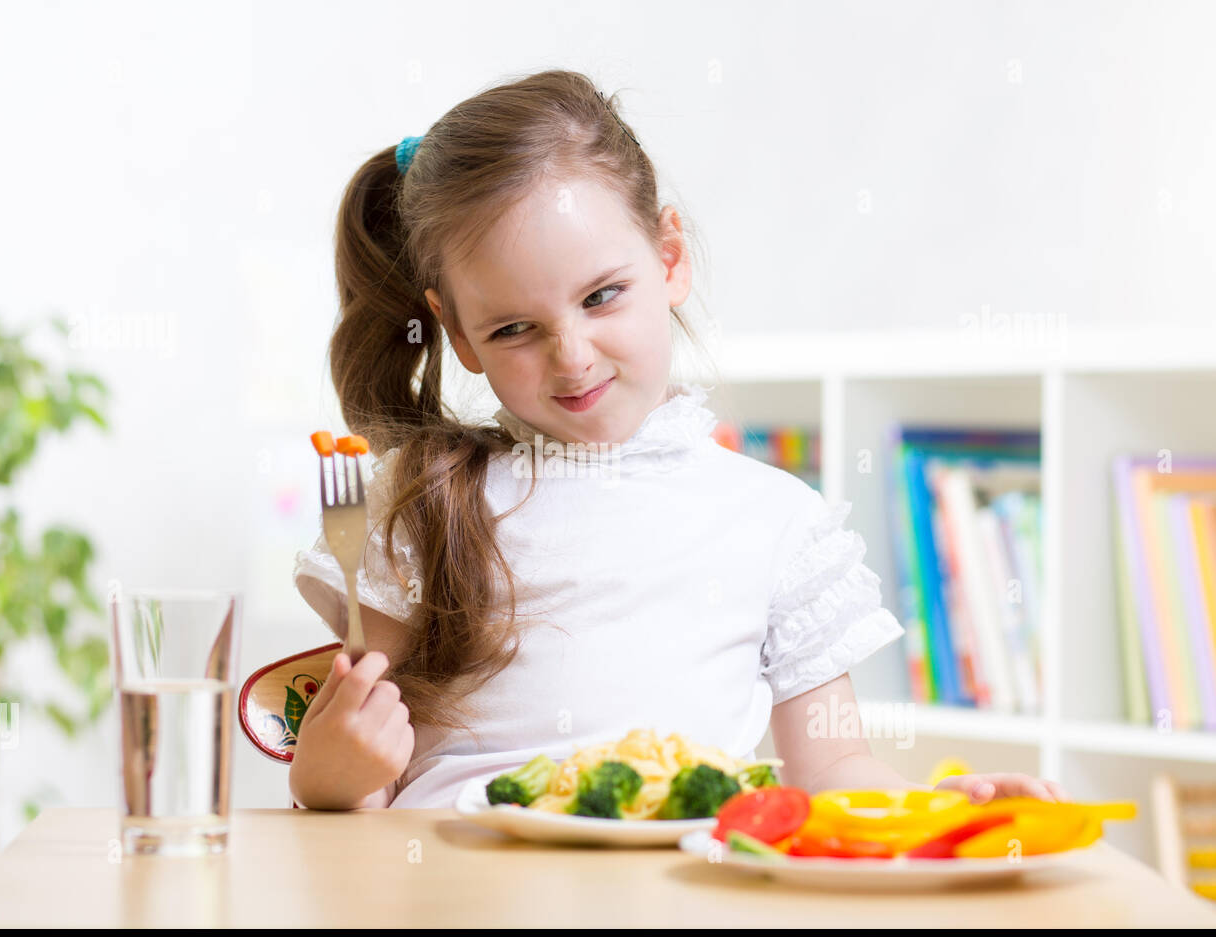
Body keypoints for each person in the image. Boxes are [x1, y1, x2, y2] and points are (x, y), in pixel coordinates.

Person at [290, 69, 1068, 811]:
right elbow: (368, 781)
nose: (572, 355)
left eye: (602, 296)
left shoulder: (776, 523)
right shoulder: (421, 499)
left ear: (669, 259)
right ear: (457, 333)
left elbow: (832, 767)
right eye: (514, 328)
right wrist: (328, 778)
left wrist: (935, 807)